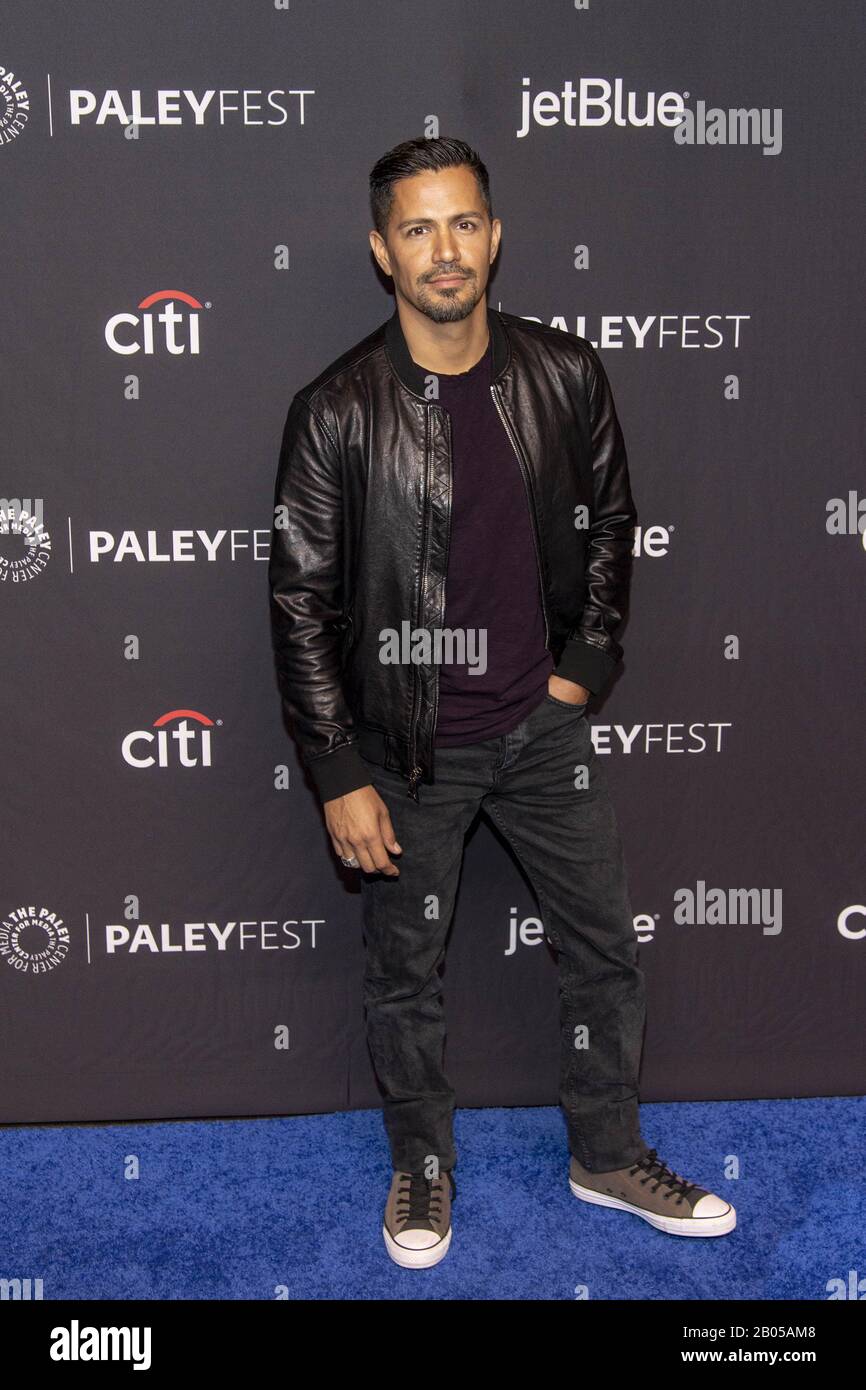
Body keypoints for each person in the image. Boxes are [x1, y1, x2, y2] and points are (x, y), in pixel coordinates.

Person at [268, 135, 736, 1269]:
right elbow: (299, 600)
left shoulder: (564, 375)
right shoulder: (336, 409)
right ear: (382, 251)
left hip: (539, 728)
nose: (445, 250)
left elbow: (612, 526)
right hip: (406, 750)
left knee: (601, 951)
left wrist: (584, 669)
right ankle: (422, 1166)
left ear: (494, 235)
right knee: (403, 974)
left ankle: (606, 1153)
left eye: (464, 223)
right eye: (418, 228)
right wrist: (337, 769)